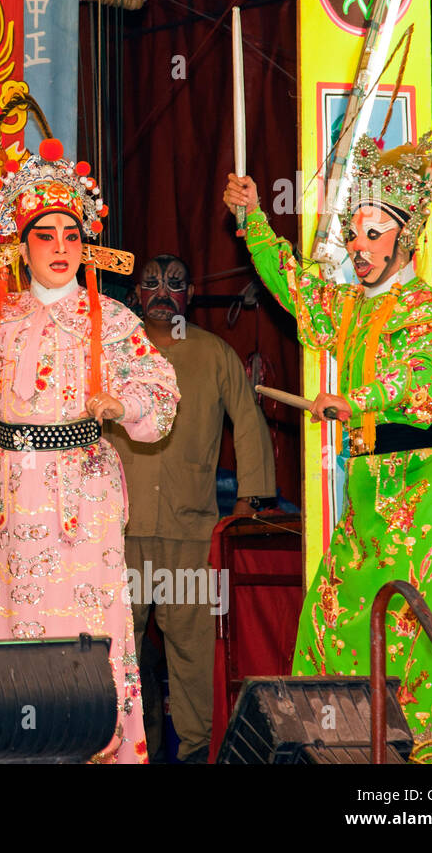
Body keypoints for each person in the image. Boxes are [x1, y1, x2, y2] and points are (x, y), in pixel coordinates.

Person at [225, 133, 432, 762]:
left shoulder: (430, 313)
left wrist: (362, 401)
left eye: (374, 234)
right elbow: (294, 285)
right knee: (334, 626)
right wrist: (252, 218)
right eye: (353, 234)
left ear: (406, 239)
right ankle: (345, 757)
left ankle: (428, 781)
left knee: (419, 649)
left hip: (422, 498)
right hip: (366, 499)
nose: (358, 247)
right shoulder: (350, 309)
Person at [0, 138, 180, 763]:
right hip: (14, 494)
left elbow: (158, 387)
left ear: (84, 245)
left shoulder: (111, 319)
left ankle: (102, 749)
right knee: (19, 629)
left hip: (82, 493)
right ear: (22, 246)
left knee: (93, 630)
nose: (60, 246)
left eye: (70, 234)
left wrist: (120, 405)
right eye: (44, 234)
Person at [106, 253, 277, 763]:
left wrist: (250, 499)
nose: (162, 293)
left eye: (174, 284)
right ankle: (120, 748)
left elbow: (248, 423)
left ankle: (198, 751)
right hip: (119, 529)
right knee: (119, 649)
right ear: (135, 293)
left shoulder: (214, 354)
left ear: (192, 293)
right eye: (151, 284)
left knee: (194, 650)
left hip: (191, 531)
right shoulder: (114, 353)